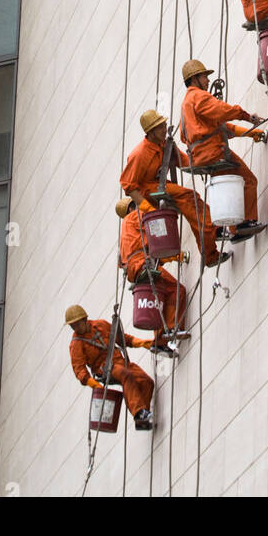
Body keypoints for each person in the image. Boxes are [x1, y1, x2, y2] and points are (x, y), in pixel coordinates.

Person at [120, 109, 229, 268]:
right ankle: (214, 230)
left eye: (164, 126)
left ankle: (211, 251)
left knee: (193, 205)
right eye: (161, 127)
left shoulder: (165, 145)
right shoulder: (139, 154)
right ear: (151, 132)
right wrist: (148, 209)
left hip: (160, 186)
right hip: (148, 191)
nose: (164, 129)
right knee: (188, 197)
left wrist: (209, 162)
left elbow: (184, 162)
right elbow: (128, 185)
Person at [179, 59, 267, 239]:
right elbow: (222, 110)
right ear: (194, 79)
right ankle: (245, 223)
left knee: (230, 186)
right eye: (204, 77)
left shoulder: (185, 105)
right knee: (248, 180)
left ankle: (235, 229)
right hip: (214, 152)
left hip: (200, 156)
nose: (208, 80)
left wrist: (251, 133)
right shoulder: (199, 97)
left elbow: (216, 128)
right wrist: (245, 116)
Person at [65, 304, 155, 431]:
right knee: (125, 375)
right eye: (73, 326)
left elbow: (123, 339)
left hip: (121, 362)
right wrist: (95, 385)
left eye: (77, 324)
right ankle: (139, 412)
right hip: (105, 368)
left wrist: (144, 343)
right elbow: (79, 370)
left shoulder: (100, 325)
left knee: (147, 382)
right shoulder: (76, 344)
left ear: (84, 319)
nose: (76, 328)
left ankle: (142, 419)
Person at [115, 198, 189, 347]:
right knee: (177, 290)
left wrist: (176, 257)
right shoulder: (135, 216)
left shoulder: (125, 232)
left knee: (159, 296)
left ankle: (160, 342)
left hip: (136, 268)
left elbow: (124, 261)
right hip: (143, 263)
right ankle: (172, 328)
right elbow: (154, 221)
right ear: (131, 208)